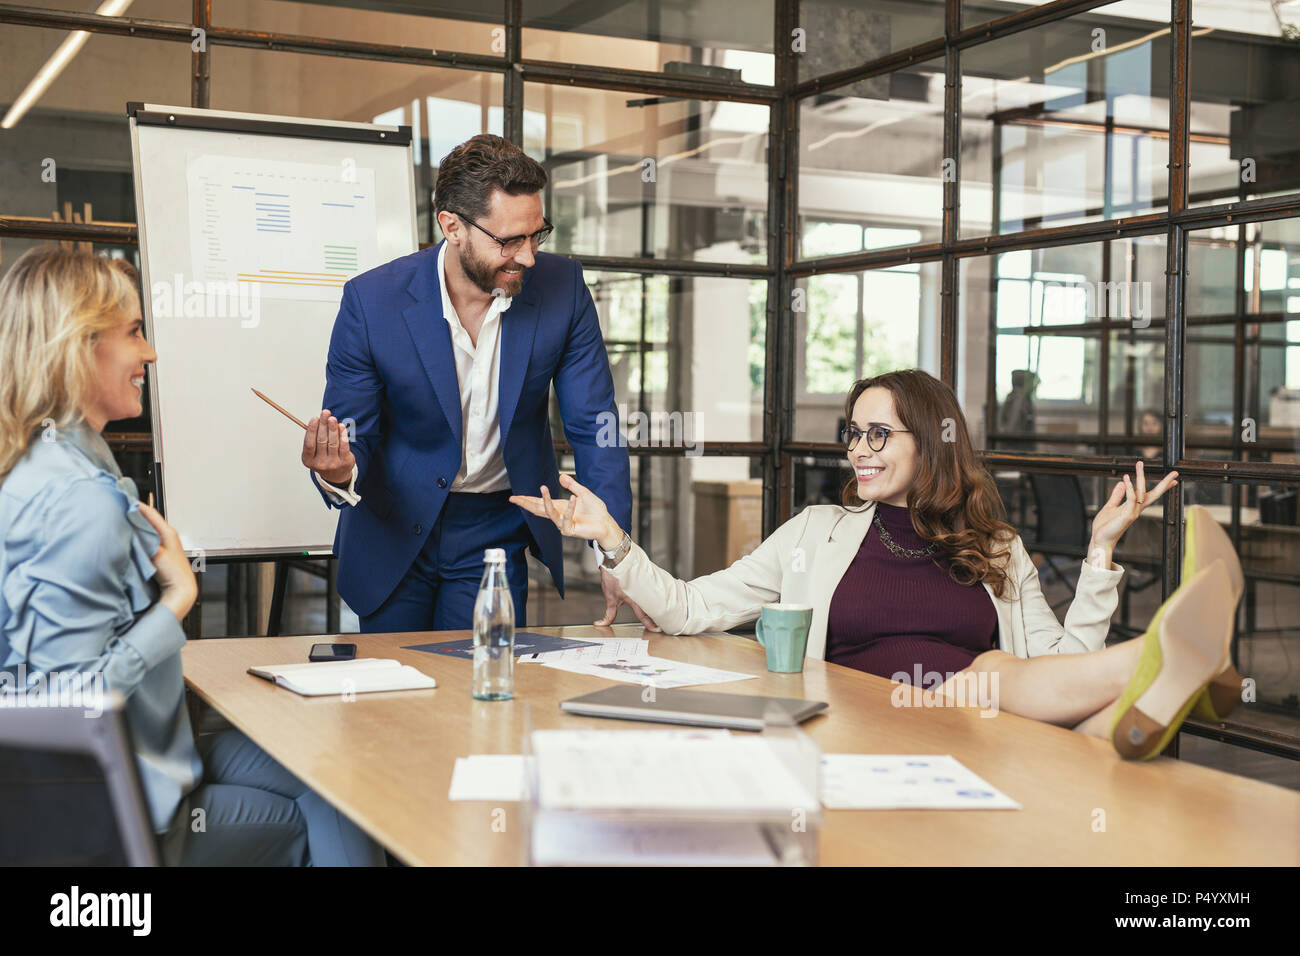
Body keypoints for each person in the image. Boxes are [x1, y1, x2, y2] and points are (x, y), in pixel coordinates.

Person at [511, 369, 1239, 759]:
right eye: (853, 433)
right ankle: (1173, 657)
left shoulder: (995, 544)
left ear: (929, 441)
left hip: (986, 728)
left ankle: (1158, 684)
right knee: (988, 676)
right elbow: (690, 608)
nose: (859, 448)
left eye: (880, 433)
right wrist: (608, 537)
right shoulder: (815, 532)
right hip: (879, 723)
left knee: (1090, 722)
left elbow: (1061, 666)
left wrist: (1100, 552)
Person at [0, 247, 385, 865]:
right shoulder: (77, 500)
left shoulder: (53, 459)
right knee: (317, 809)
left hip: (151, 750)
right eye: (133, 333)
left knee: (336, 771)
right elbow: (67, 703)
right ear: (79, 346)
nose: (150, 353)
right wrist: (177, 601)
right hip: (120, 806)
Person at [303, 133, 657, 634]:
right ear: (451, 226)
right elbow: (352, 433)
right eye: (509, 241)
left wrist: (617, 551)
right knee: (392, 698)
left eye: (538, 235)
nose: (529, 257)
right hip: (394, 525)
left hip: (497, 527)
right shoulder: (372, 301)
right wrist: (339, 472)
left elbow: (595, 424)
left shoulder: (563, 289)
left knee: (484, 690)